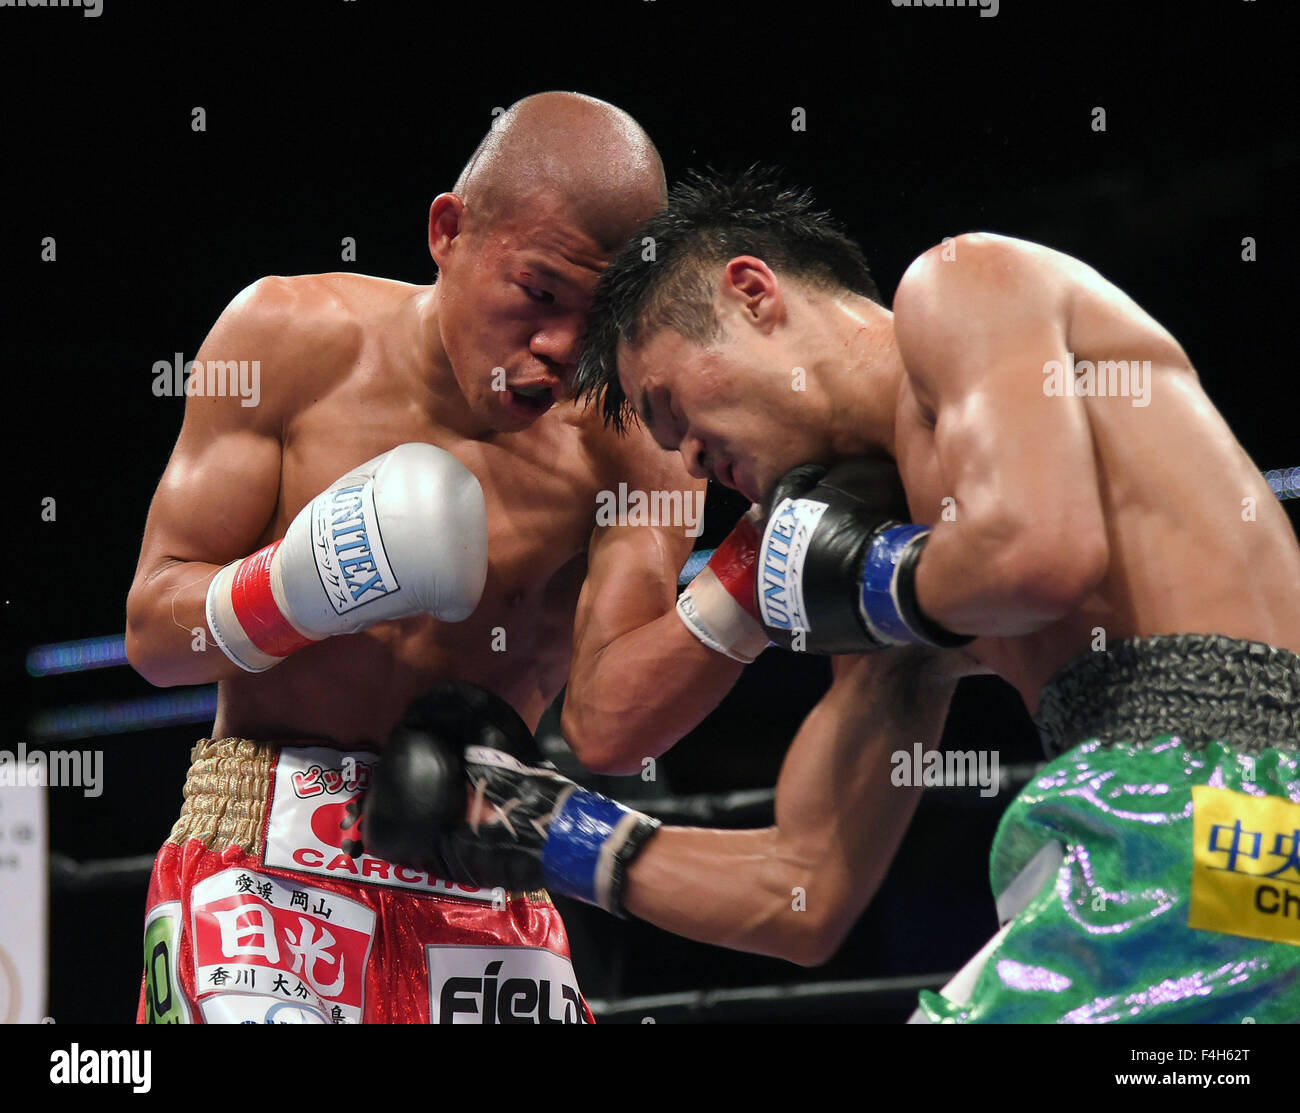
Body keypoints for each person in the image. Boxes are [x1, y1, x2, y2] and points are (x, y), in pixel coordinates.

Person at [376, 168, 1300, 1023]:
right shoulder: (909, 564)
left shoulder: (966, 286)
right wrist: (548, 825)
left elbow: (1039, 551)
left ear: (753, 291)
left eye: (671, 406)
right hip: (1192, 844)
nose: (690, 455)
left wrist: (862, 579)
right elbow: (800, 888)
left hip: (1221, 804)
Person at [124, 93, 740, 1025]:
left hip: (484, 876)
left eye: (600, 316)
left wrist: (757, 576)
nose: (562, 350)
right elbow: (151, 636)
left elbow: (621, 728)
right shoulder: (286, 338)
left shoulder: (630, 444)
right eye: (538, 294)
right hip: (259, 860)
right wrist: (296, 587)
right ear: (448, 230)